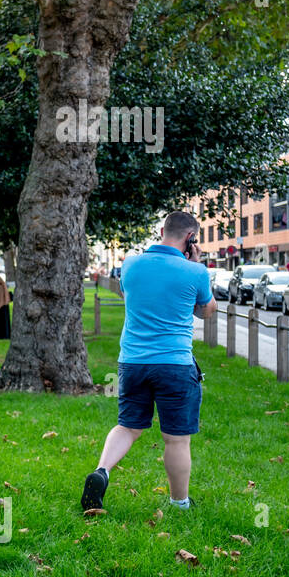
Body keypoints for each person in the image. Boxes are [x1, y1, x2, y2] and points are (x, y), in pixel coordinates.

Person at [81, 211, 216, 514]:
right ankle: (179, 503)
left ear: (161, 231)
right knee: (176, 439)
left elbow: (139, 299)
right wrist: (194, 264)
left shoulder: (130, 265)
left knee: (127, 426)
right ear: (191, 238)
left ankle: (102, 471)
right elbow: (206, 311)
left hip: (133, 362)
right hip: (175, 364)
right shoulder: (195, 272)